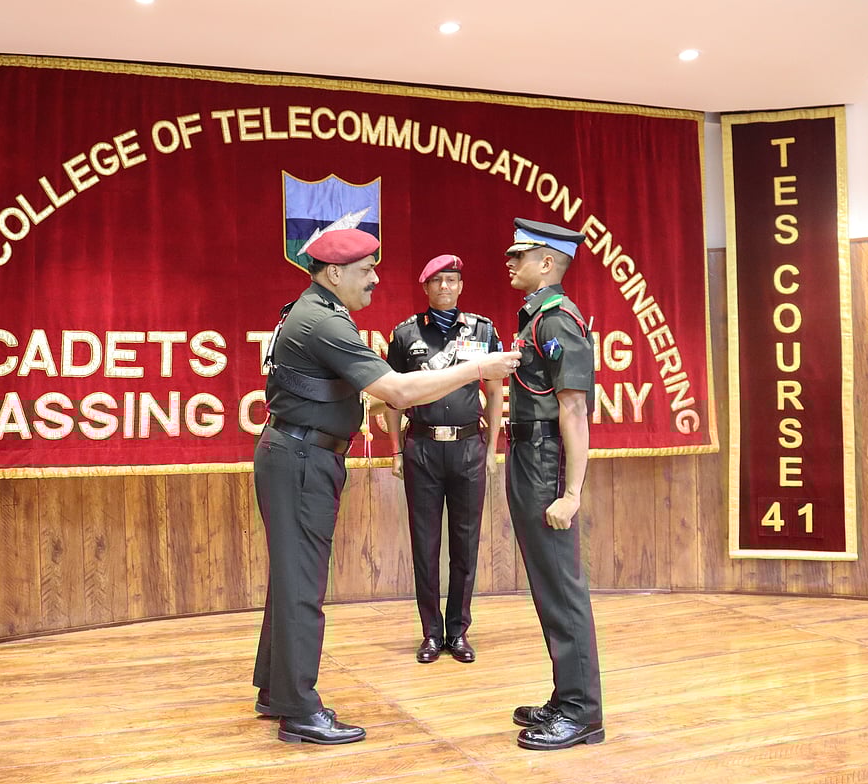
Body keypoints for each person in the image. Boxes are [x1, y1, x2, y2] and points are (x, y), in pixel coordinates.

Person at [252, 227, 521, 745]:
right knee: (303, 585)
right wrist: (478, 368)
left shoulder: (313, 311)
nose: (375, 279)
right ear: (334, 273)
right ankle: (300, 711)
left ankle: (275, 690)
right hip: (303, 458)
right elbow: (397, 390)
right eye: (366, 270)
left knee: (291, 579)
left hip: (299, 453)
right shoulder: (321, 321)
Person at [501, 217, 604, 750]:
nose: (510, 262)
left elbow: (574, 409)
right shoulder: (534, 316)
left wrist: (571, 492)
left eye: (520, 255)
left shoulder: (557, 318)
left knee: (562, 586)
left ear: (548, 262)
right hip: (526, 453)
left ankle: (583, 712)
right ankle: (567, 696)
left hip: (545, 459)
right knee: (547, 584)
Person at [383, 254, 502, 665]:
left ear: (461, 286)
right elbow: (391, 397)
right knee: (426, 545)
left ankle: (459, 631)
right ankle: (431, 633)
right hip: (423, 448)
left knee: (466, 545)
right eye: (438, 281)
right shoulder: (405, 334)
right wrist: (395, 450)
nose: (445, 288)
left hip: (470, 447)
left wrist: (494, 448)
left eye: (452, 280)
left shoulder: (482, 330)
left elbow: (495, 391)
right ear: (426, 287)